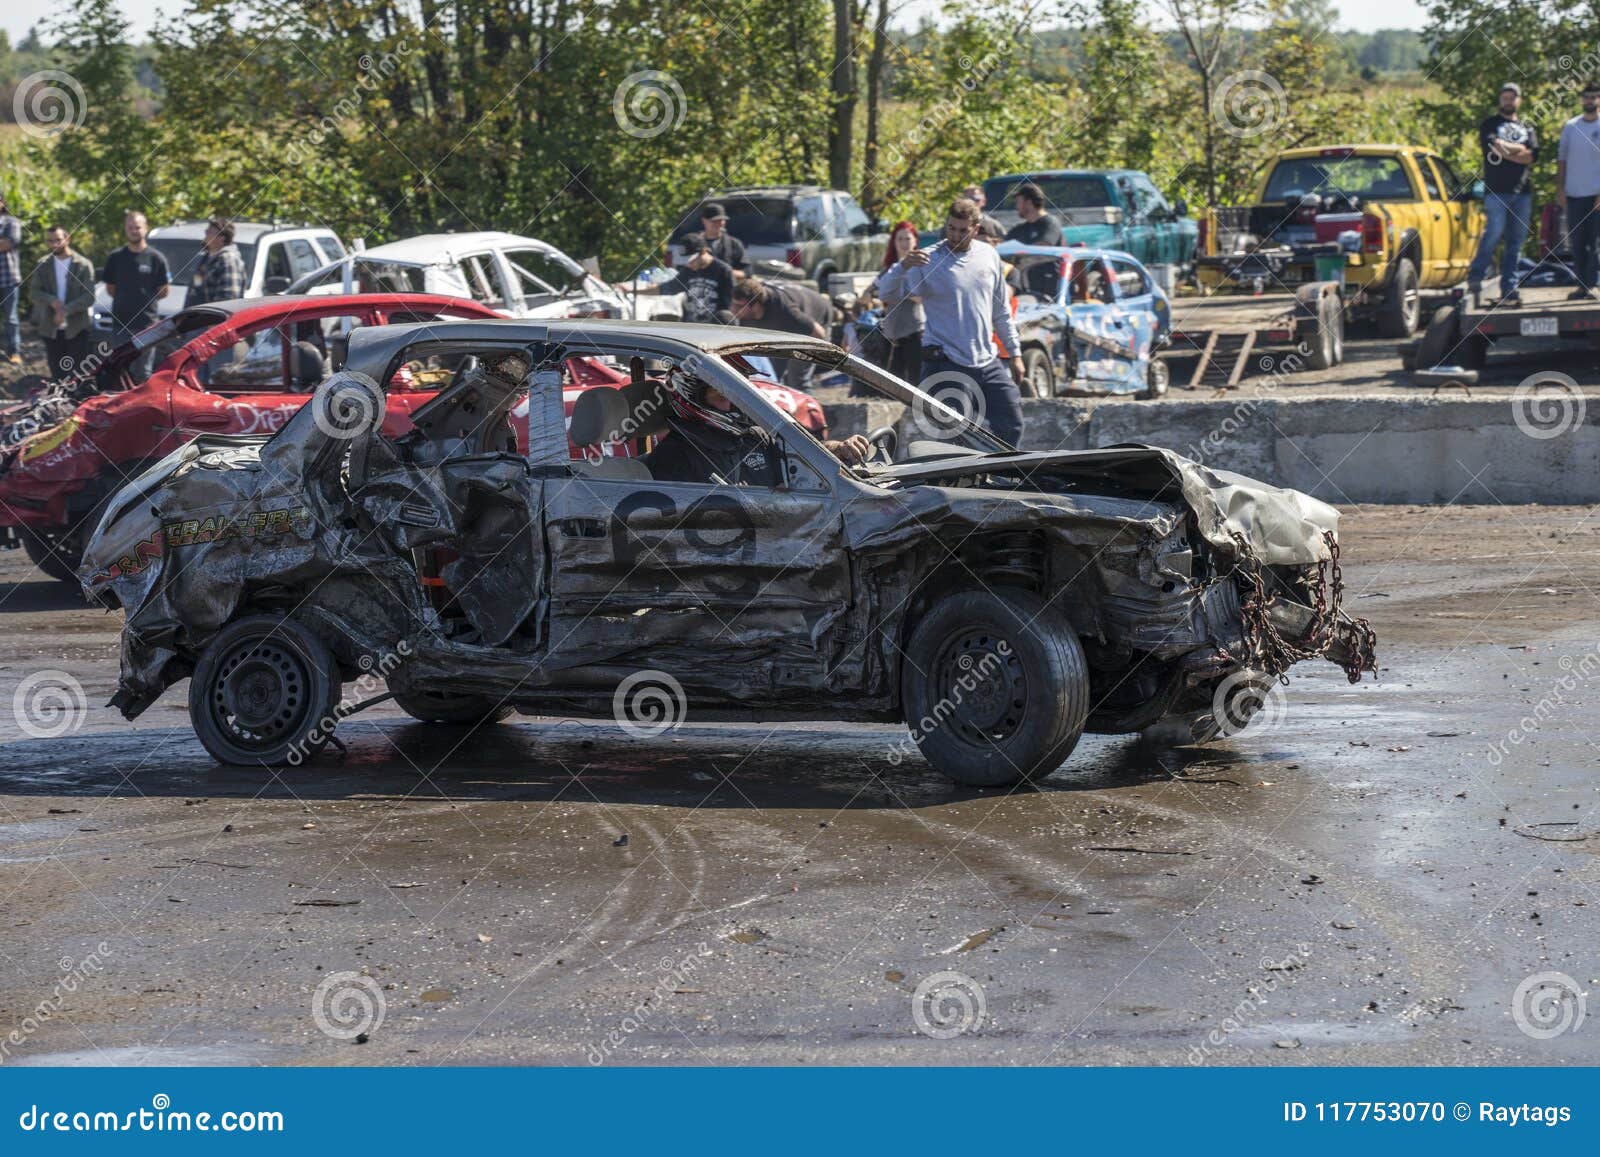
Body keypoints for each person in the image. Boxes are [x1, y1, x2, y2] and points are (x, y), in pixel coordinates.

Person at [874, 198, 1026, 447]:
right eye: (951, 228)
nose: (955, 236)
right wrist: (902, 267)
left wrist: (1015, 353)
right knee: (958, 433)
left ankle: (1001, 477)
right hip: (945, 360)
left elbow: (1001, 311)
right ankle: (960, 482)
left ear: (976, 229)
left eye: (963, 230)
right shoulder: (927, 259)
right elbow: (886, 294)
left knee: (1012, 423)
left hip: (986, 359)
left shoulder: (989, 255)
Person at [643, 369, 868, 485]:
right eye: (721, 396)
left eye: (736, 395)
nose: (732, 404)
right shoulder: (674, 455)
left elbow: (801, 456)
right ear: (694, 399)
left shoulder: (755, 436)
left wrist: (838, 449)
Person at [1469, 82, 1538, 307]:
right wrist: (1517, 150)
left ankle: (1509, 287)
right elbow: (1493, 146)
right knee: (1494, 233)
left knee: (1515, 242)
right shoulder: (1490, 124)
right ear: (1500, 99)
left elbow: (1532, 156)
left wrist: (1507, 149)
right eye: (1505, 97)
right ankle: (1476, 277)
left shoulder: (1527, 128)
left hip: (1522, 193)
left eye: (1513, 97)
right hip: (1496, 191)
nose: (1509, 101)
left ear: (1519, 101)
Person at [101, 209, 171, 379]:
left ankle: (143, 406)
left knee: (143, 373)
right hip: (120, 325)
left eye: (137, 227)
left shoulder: (156, 258)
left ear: (145, 228)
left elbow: (164, 291)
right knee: (120, 370)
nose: (134, 231)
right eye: (130, 227)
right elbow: (111, 289)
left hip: (146, 325)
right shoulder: (115, 258)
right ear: (125, 229)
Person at [729, 276, 832, 391]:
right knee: (771, 373)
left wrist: (815, 355)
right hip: (782, 331)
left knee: (797, 376)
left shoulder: (786, 311)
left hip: (816, 318)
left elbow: (819, 335)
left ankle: (808, 407)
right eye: (733, 304)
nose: (733, 309)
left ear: (756, 305)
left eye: (739, 306)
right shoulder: (745, 315)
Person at [28, 225, 96, 383]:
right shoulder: (43, 264)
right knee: (57, 375)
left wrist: (66, 310)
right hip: (51, 328)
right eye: (50, 241)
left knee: (78, 375)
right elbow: (34, 292)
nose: (54, 244)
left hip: (77, 327)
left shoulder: (83, 265)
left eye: (58, 240)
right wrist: (52, 301)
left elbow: (89, 296)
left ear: (67, 239)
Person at [867, 220, 924, 384]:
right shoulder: (888, 269)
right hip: (891, 336)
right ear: (894, 242)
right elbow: (869, 292)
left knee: (916, 383)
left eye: (908, 239)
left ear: (915, 241)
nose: (904, 243)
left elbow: (920, 297)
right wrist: (878, 292)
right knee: (893, 386)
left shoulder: (920, 266)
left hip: (915, 332)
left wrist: (892, 291)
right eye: (900, 239)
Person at [1557, 82, 1600, 300]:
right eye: (1586, 96)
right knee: (1577, 242)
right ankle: (1581, 285)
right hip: (1574, 194)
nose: (1590, 100)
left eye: (1594, 96)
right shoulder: (1571, 126)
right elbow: (1562, 158)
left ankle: (1592, 285)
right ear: (1581, 99)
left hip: (1596, 196)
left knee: (1594, 243)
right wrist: (1560, 188)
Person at [658, 233, 733, 322]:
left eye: (691, 260)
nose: (688, 264)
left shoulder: (723, 271)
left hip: (714, 327)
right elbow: (669, 287)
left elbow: (730, 306)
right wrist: (639, 291)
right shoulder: (688, 271)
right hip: (691, 327)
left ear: (703, 251)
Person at [189, 216, 246, 306]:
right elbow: (195, 290)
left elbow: (228, 300)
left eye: (209, 232)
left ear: (222, 238)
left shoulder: (228, 259)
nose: (205, 234)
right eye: (206, 232)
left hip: (215, 318)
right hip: (197, 317)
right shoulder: (205, 258)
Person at [1004, 182, 1064, 247]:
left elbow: (1044, 245)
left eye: (1018, 202)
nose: (1016, 207)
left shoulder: (1051, 223)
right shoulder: (1020, 229)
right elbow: (1003, 243)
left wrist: (1019, 250)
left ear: (1029, 202)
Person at [698, 202, 747, 275]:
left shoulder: (734, 244)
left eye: (721, 220)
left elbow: (746, 272)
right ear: (704, 220)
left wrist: (724, 272)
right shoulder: (694, 242)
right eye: (714, 221)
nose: (718, 224)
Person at [0, 195, 21, 366]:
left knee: (11, 318)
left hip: (8, 279)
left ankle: (14, 352)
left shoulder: (11, 222)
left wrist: (4, 243)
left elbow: (9, 243)